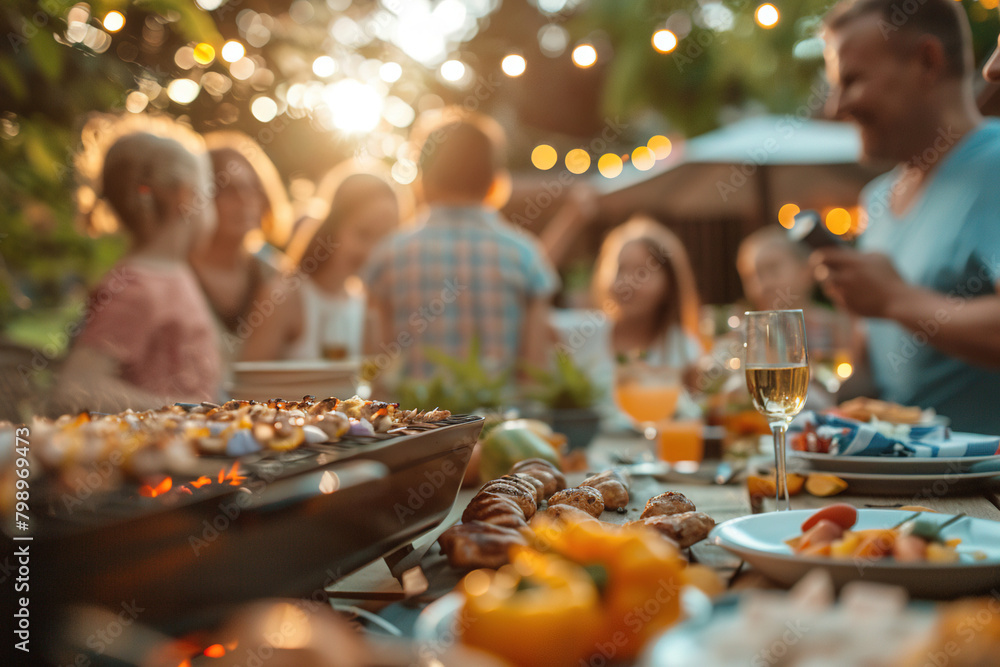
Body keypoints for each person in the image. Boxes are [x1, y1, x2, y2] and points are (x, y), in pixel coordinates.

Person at [814, 0, 1000, 433]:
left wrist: (894, 299)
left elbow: (891, 304)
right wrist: (814, 405)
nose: (835, 107)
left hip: (983, 496)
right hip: (892, 489)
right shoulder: (876, 198)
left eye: (853, 80)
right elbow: (872, 370)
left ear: (927, 61)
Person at [361, 108, 559, 386]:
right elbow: (536, 375)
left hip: (413, 429)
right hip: (499, 427)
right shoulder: (526, 256)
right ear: (493, 179)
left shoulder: (386, 258)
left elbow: (375, 374)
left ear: (423, 175)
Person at [54, 125, 222, 413]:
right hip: (153, 452)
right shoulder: (137, 288)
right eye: (209, 192)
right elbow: (75, 388)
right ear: (185, 197)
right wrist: (180, 411)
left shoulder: (174, 272)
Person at [552, 216, 704, 424]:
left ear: (669, 284)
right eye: (620, 269)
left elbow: (696, 417)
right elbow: (533, 288)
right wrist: (572, 217)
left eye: (641, 272)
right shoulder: (583, 332)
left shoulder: (683, 348)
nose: (627, 284)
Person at [239, 173, 399, 361]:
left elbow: (371, 383)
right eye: (363, 234)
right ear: (335, 226)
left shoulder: (365, 304)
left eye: (385, 239)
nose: (372, 251)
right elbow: (251, 381)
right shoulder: (285, 297)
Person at [190, 133, 293, 341]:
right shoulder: (177, 271)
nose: (245, 200)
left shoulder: (275, 275)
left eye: (252, 188)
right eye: (228, 189)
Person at [738, 226, 855, 391]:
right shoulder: (747, 337)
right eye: (750, 276)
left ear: (806, 271)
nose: (762, 285)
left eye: (773, 269)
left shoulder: (838, 325)